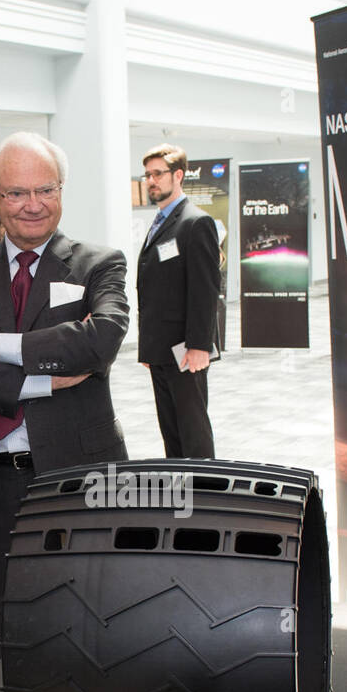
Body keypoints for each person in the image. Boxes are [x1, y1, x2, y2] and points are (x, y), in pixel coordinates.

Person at [0, 131, 128, 669]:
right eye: (17, 192)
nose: (33, 204)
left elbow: (102, 337)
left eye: (45, 188)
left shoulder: (98, 264)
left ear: (61, 189)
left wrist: (0, 348)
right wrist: (39, 379)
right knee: (3, 627)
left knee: (90, 618)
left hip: (76, 477)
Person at [136, 144, 219, 459]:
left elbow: (205, 289)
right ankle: (182, 492)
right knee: (171, 430)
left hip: (186, 349)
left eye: (158, 174)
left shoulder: (195, 223)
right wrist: (149, 346)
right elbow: (156, 287)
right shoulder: (160, 221)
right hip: (161, 349)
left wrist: (199, 345)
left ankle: (207, 494)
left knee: (193, 431)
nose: (151, 181)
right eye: (147, 175)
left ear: (179, 175)